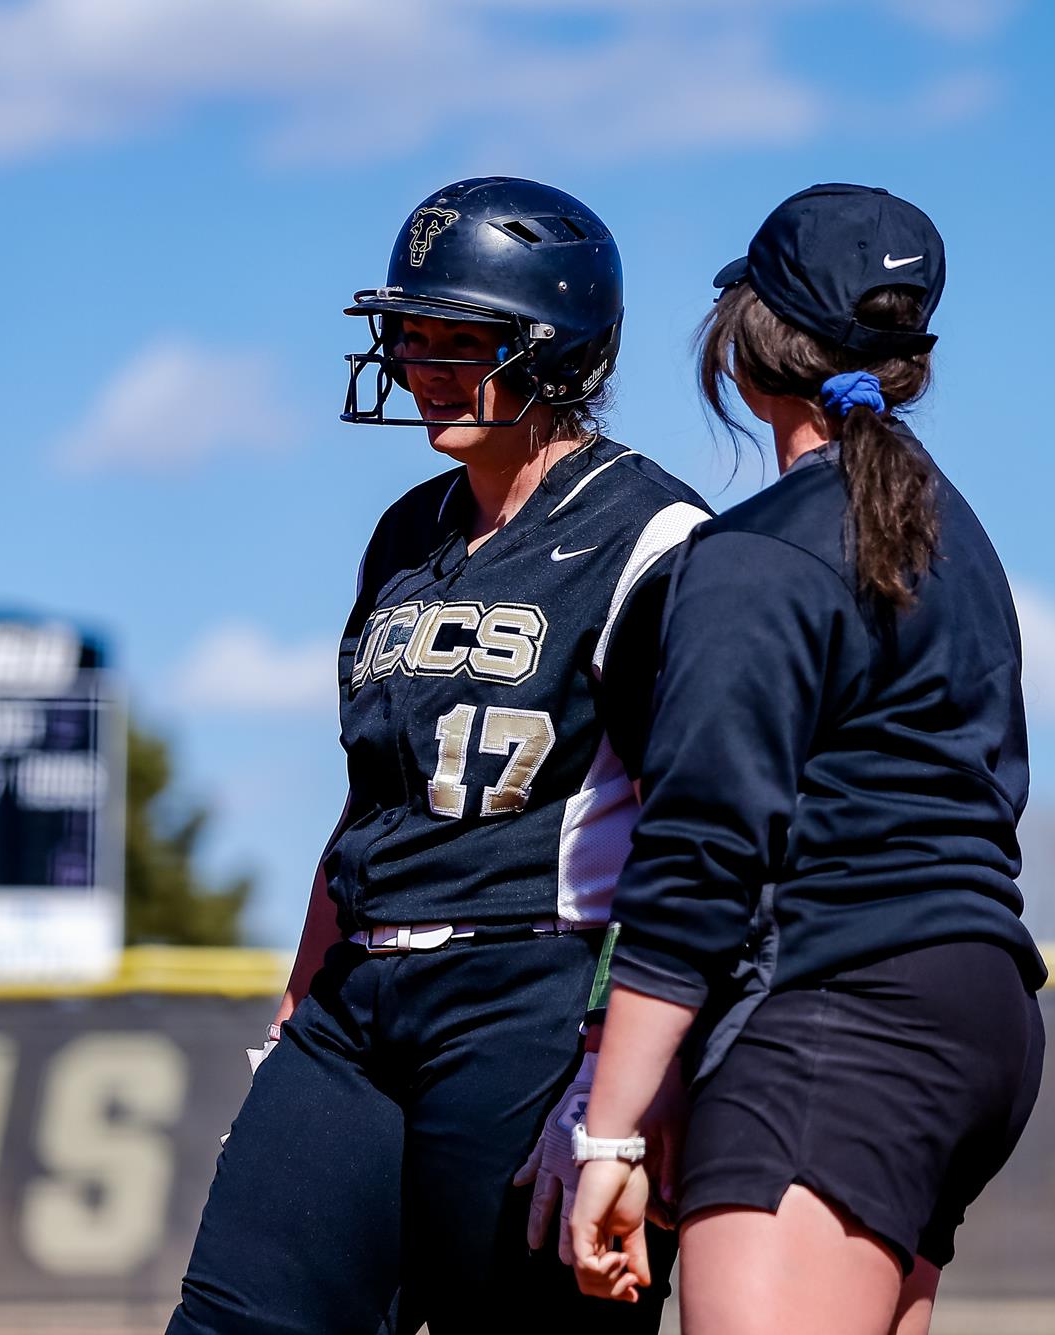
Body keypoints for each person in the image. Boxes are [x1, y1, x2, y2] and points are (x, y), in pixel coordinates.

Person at [167, 176, 709, 1335]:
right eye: (407, 333)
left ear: (557, 353)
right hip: (357, 1002)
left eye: (460, 338)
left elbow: (691, 833)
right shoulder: (407, 530)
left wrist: (617, 1083)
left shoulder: (652, 535)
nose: (420, 364)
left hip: (533, 992)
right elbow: (363, 806)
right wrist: (287, 1021)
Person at [567, 183, 1049, 1335]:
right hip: (978, 1010)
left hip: (844, 1017)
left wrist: (610, 1130)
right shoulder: (948, 529)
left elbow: (699, 851)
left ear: (743, 350)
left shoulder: (756, 554)